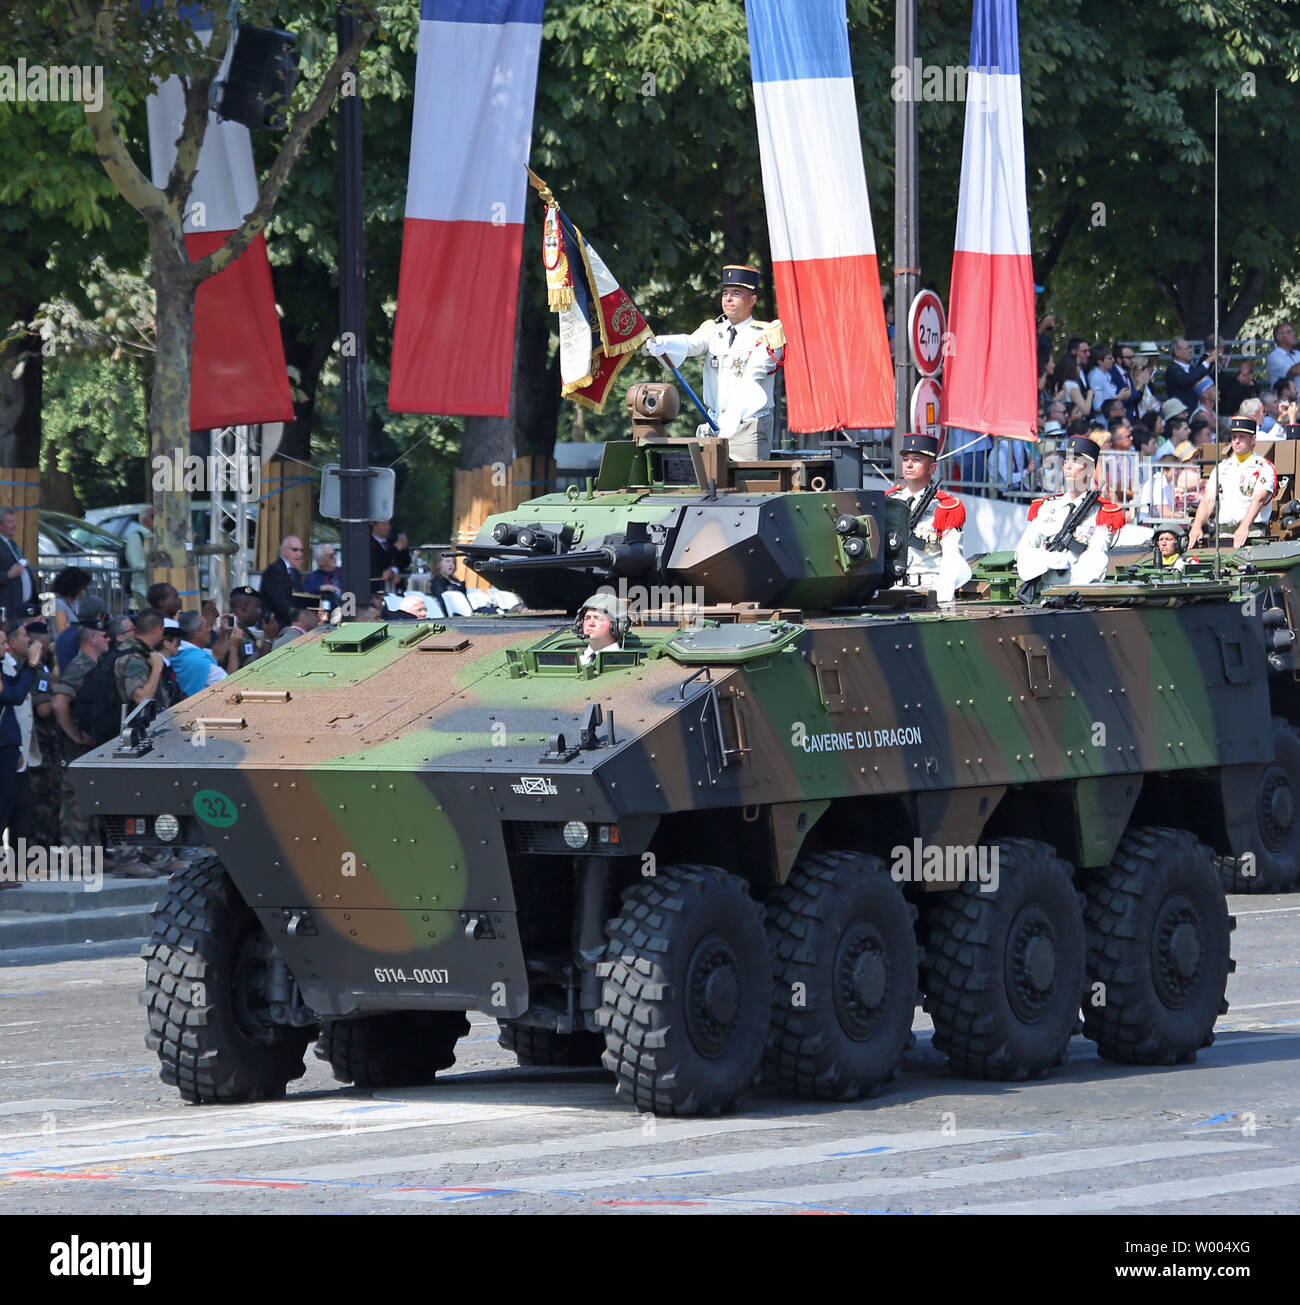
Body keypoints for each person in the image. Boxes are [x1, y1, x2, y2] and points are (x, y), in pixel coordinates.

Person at [644, 264, 786, 460]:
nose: (728, 299)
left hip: (747, 426)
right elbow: (691, 343)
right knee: (712, 486)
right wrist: (664, 343)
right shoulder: (714, 330)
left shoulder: (765, 335)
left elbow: (753, 376)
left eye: (736, 293)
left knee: (748, 486)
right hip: (715, 424)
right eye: (725, 293)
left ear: (752, 300)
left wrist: (733, 415)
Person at [1015, 435, 1125, 596]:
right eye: (1066, 461)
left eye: (1075, 460)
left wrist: (1073, 588)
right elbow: (1023, 549)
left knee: (1097, 557)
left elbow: (1097, 554)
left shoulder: (1103, 511)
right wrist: (1045, 558)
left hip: (1079, 595)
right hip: (1046, 593)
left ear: (1089, 468)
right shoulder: (1047, 507)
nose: (1067, 466)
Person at [885, 432, 970, 602]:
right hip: (894, 588)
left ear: (932, 468)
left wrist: (943, 594)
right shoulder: (889, 501)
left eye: (916, 459)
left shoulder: (947, 506)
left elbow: (951, 554)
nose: (909, 464)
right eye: (906, 459)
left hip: (930, 589)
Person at [1187, 416, 1277, 550]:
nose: (1236, 441)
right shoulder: (1222, 468)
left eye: (1242, 437)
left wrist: (1244, 526)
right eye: (1234, 437)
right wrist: (1197, 525)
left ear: (1253, 440)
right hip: (1224, 532)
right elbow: (1208, 500)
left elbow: (1258, 499)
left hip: (1251, 532)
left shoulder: (1263, 467)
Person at [0, 622, 41, 868]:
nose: (5, 648)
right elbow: (13, 696)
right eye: (2, 644)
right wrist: (32, 665)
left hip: (7, 744)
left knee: (7, 805)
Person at [172, 611, 228, 696]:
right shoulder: (201, 662)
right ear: (196, 633)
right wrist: (234, 649)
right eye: (206, 626)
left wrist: (224, 632)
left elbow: (217, 655)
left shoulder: (178, 652)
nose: (210, 629)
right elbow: (230, 686)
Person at [259, 536, 305, 627]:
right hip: (276, 623)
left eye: (301, 550)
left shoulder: (295, 572)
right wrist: (298, 618)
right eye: (295, 550)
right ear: (284, 550)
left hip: (292, 621)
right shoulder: (274, 570)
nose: (299, 554)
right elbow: (279, 602)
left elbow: (299, 598)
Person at [575, 591, 628, 666]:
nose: (590, 623)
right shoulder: (575, 660)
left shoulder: (625, 662)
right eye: (587, 618)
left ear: (618, 626)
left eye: (598, 618)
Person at [0, 506, 34, 620]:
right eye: (10, 522)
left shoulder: (12, 544)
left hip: (19, 605)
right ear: (0, 525)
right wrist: (8, 575)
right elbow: (9, 573)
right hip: (5, 607)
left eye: (15, 521)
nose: (14, 525)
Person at [1163, 337, 1214, 409]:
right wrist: (1208, 361)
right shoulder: (1172, 370)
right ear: (1176, 352)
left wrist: (1216, 364)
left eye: (1190, 348)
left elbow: (1203, 378)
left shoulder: (1192, 369)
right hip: (1181, 414)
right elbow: (1188, 380)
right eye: (1187, 348)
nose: (1190, 351)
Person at [122, 506, 154, 610]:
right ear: (144, 520)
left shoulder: (157, 536)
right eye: (153, 516)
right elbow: (136, 564)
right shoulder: (136, 537)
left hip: (154, 588)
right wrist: (156, 567)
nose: (157, 519)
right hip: (142, 589)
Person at [50, 566, 91, 636]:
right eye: (82, 587)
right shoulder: (58, 604)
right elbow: (62, 632)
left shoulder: (75, 603)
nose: (84, 591)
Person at [1265, 322, 1300, 390]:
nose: (1294, 334)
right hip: (1284, 399)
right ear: (1279, 337)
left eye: (1293, 331)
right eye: (1289, 332)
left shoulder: (1297, 353)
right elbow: (1294, 371)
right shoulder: (1273, 357)